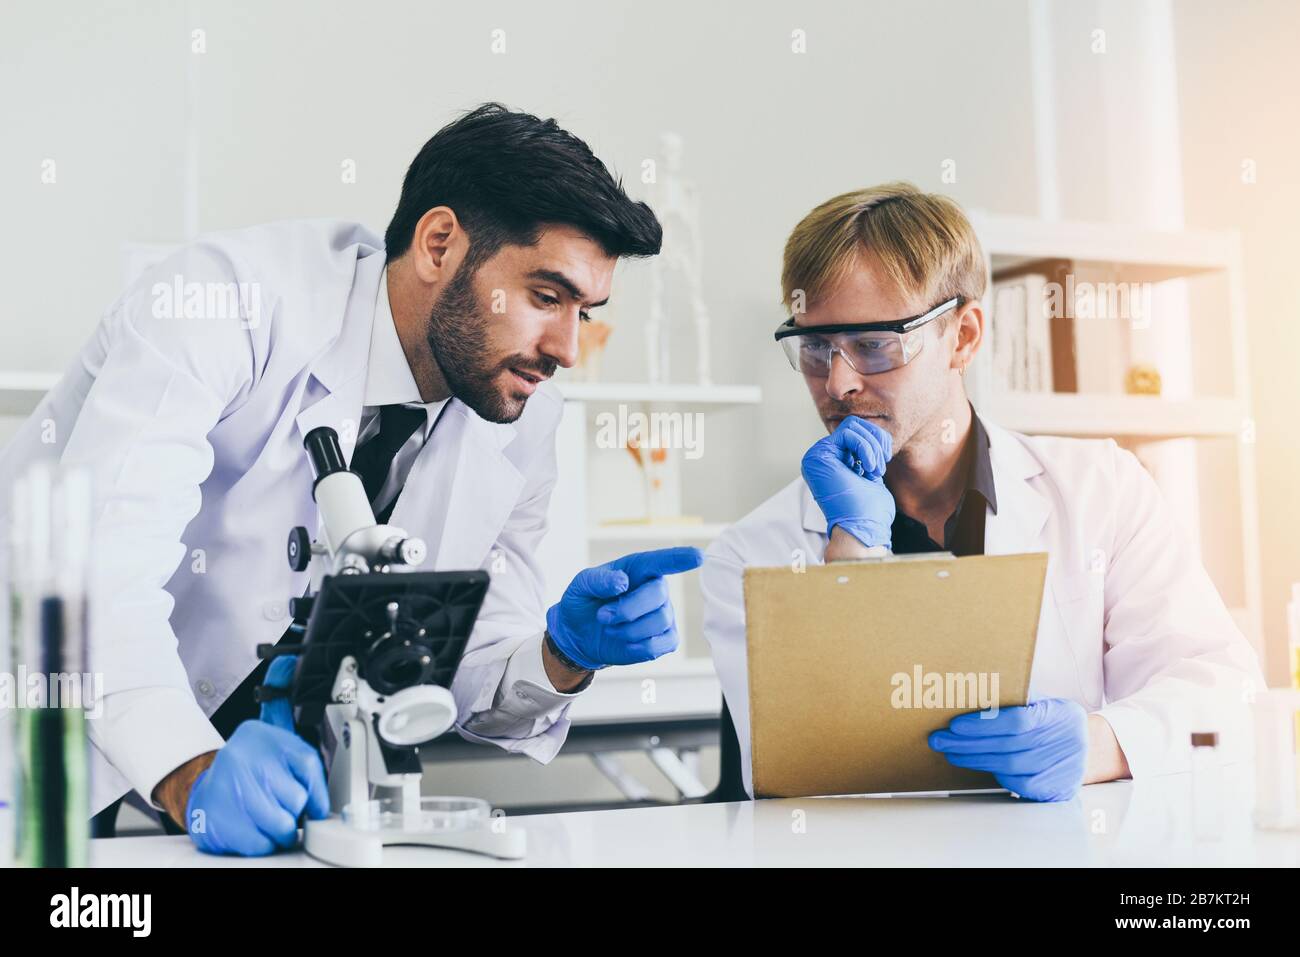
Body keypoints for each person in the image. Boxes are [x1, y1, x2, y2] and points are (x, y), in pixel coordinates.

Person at [0, 103, 702, 855]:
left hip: (276, 789)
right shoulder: (225, 303)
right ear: (439, 244)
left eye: (586, 313)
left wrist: (562, 653)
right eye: (545, 296)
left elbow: (465, 672)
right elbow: (94, 580)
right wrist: (192, 772)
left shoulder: (522, 415)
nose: (567, 347)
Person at [701, 182, 1262, 801]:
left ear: (963, 336)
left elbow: (1224, 694)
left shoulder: (1102, 489)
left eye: (872, 346)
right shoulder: (750, 555)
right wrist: (851, 559)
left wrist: (1097, 744)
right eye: (815, 349)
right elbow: (801, 782)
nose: (837, 383)